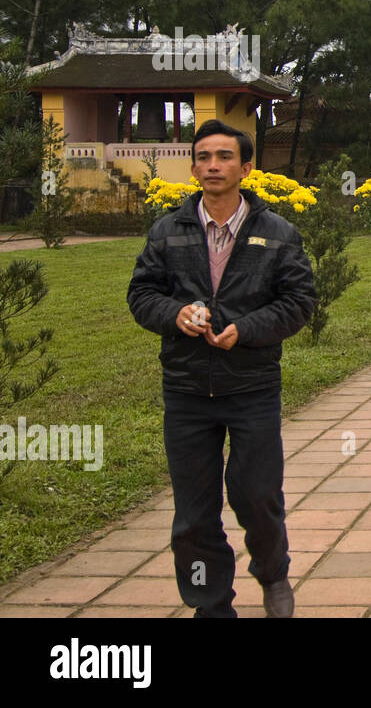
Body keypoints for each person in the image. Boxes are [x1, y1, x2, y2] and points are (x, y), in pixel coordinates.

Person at [127, 119, 316, 618]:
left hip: (252, 386)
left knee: (257, 496)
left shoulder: (277, 233)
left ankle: (273, 572)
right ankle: (209, 605)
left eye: (225, 156)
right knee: (193, 515)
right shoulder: (167, 231)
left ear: (246, 168)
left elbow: (299, 301)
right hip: (186, 389)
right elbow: (142, 294)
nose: (213, 165)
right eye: (204, 157)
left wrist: (245, 328)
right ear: (193, 168)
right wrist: (175, 314)